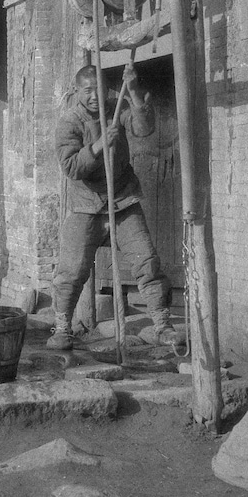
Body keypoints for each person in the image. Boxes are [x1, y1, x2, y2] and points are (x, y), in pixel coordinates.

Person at [47, 65, 175, 351]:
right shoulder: (70, 121)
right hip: (86, 204)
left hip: (122, 199)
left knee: (147, 261)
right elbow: (71, 167)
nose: (95, 96)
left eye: (99, 89)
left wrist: (132, 92)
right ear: (77, 90)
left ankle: (162, 325)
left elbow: (144, 128)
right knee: (71, 271)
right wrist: (98, 146)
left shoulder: (117, 105)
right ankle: (62, 327)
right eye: (88, 90)